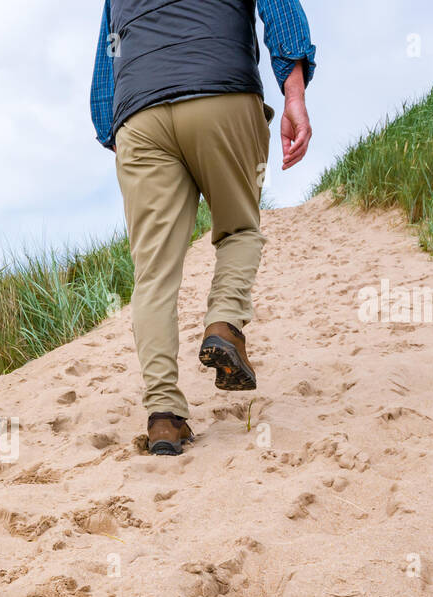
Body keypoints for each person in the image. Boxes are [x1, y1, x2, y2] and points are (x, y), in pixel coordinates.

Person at [91, 0, 316, 455]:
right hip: (222, 94)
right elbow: (282, 13)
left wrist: (123, 135)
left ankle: (164, 418)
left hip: (140, 116)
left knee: (152, 274)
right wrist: (294, 96)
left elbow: (104, 72)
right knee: (239, 228)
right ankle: (224, 324)